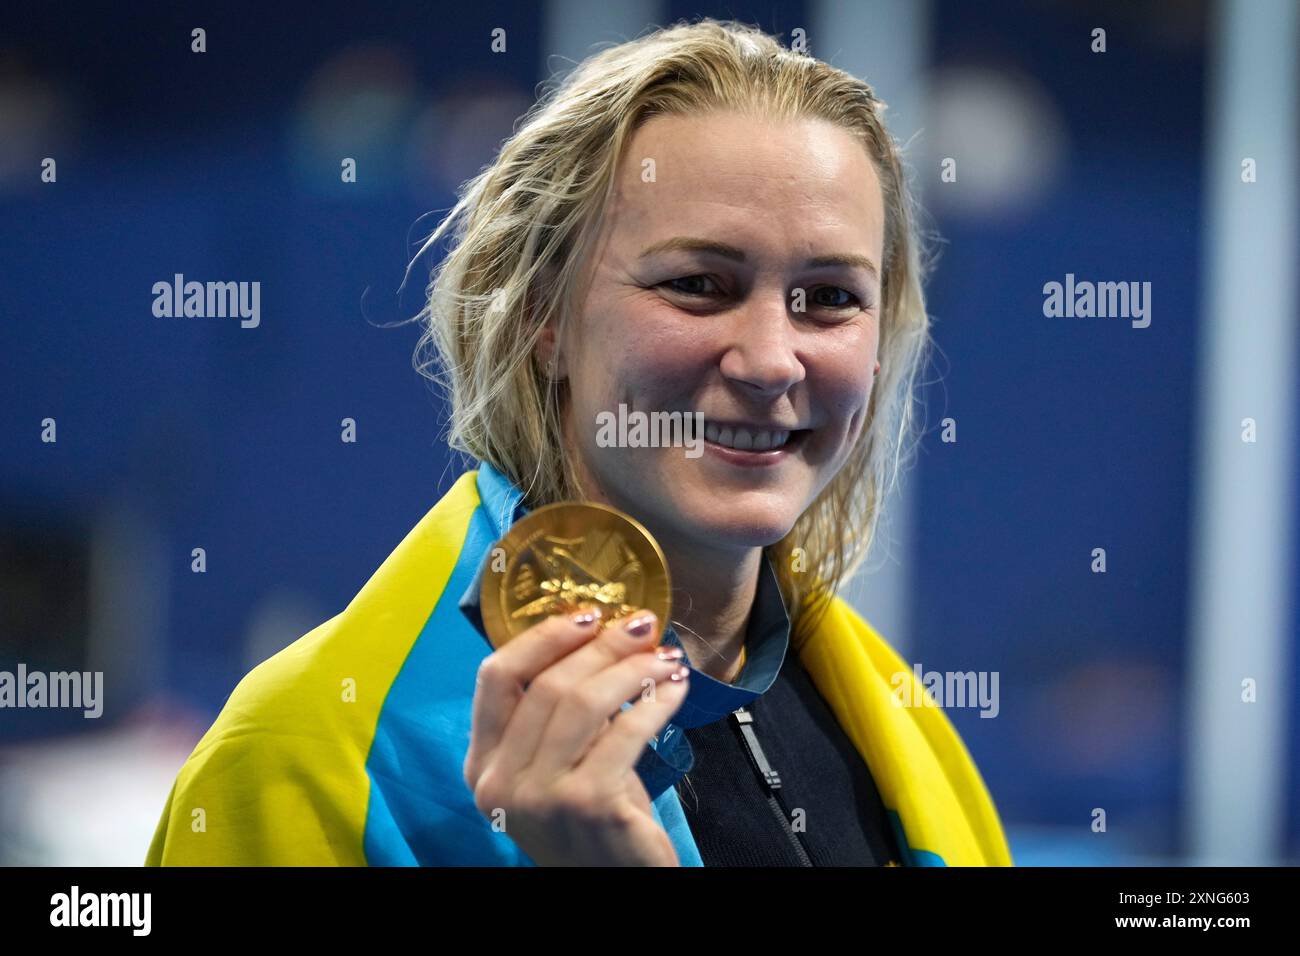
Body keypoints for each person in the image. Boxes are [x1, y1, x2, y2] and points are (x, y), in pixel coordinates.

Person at [146, 18, 1012, 867]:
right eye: (699, 284)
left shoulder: (908, 738)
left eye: (829, 298)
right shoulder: (304, 759)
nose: (768, 362)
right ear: (542, 315)